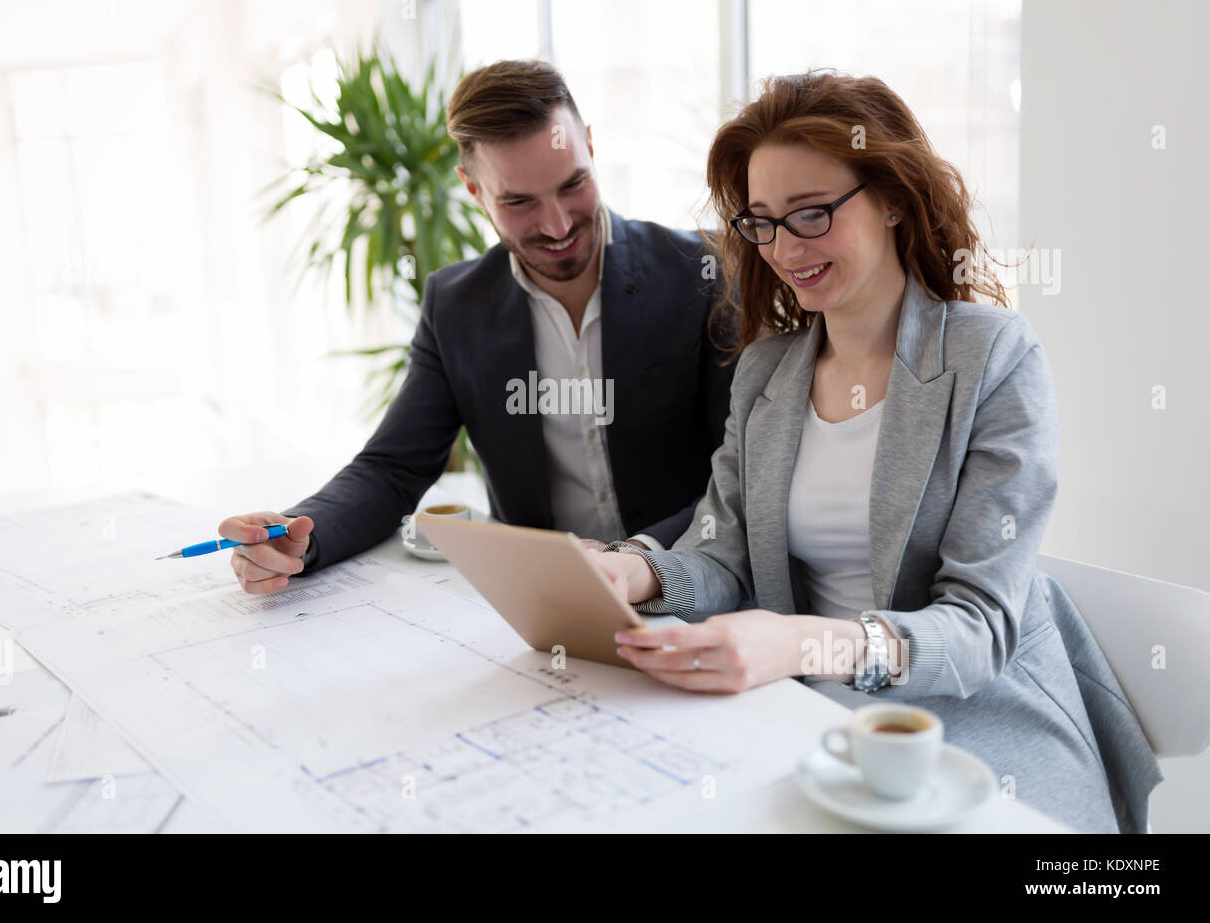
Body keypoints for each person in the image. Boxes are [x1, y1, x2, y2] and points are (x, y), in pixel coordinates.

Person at [591, 70, 1162, 833]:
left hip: (974, 724)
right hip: (816, 717)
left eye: (813, 213)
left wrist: (797, 642)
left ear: (893, 198)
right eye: (762, 221)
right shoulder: (766, 371)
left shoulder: (993, 357)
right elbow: (722, 555)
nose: (785, 248)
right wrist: (630, 568)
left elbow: (979, 626)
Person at [217, 59, 735, 594]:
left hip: (691, 586)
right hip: (543, 605)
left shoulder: (702, 272)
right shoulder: (455, 305)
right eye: (518, 202)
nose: (557, 225)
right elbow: (392, 469)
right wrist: (299, 534)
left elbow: (741, 470)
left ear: (591, 148)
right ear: (472, 189)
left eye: (573, 184)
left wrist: (636, 559)